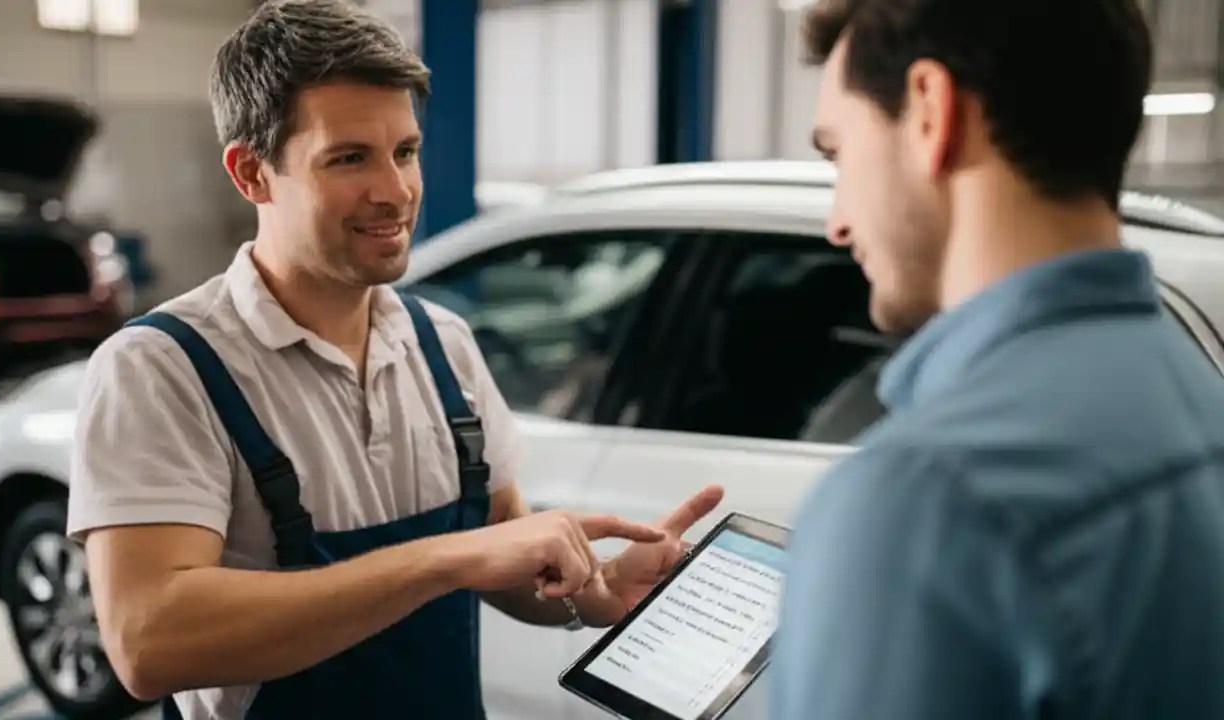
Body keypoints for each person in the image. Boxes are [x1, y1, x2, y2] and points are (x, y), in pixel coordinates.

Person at [68, 2, 722, 718]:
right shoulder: (162, 371)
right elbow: (148, 641)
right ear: (252, 172)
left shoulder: (444, 345)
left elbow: (505, 565)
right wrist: (444, 560)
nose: (396, 191)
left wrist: (590, 594)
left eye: (404, 151)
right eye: (350, 158)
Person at [773, 0, 1224, 718]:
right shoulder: (1201, 403)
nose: (838, 221)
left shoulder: (924, 502)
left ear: (929, 110)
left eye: (840, 154)